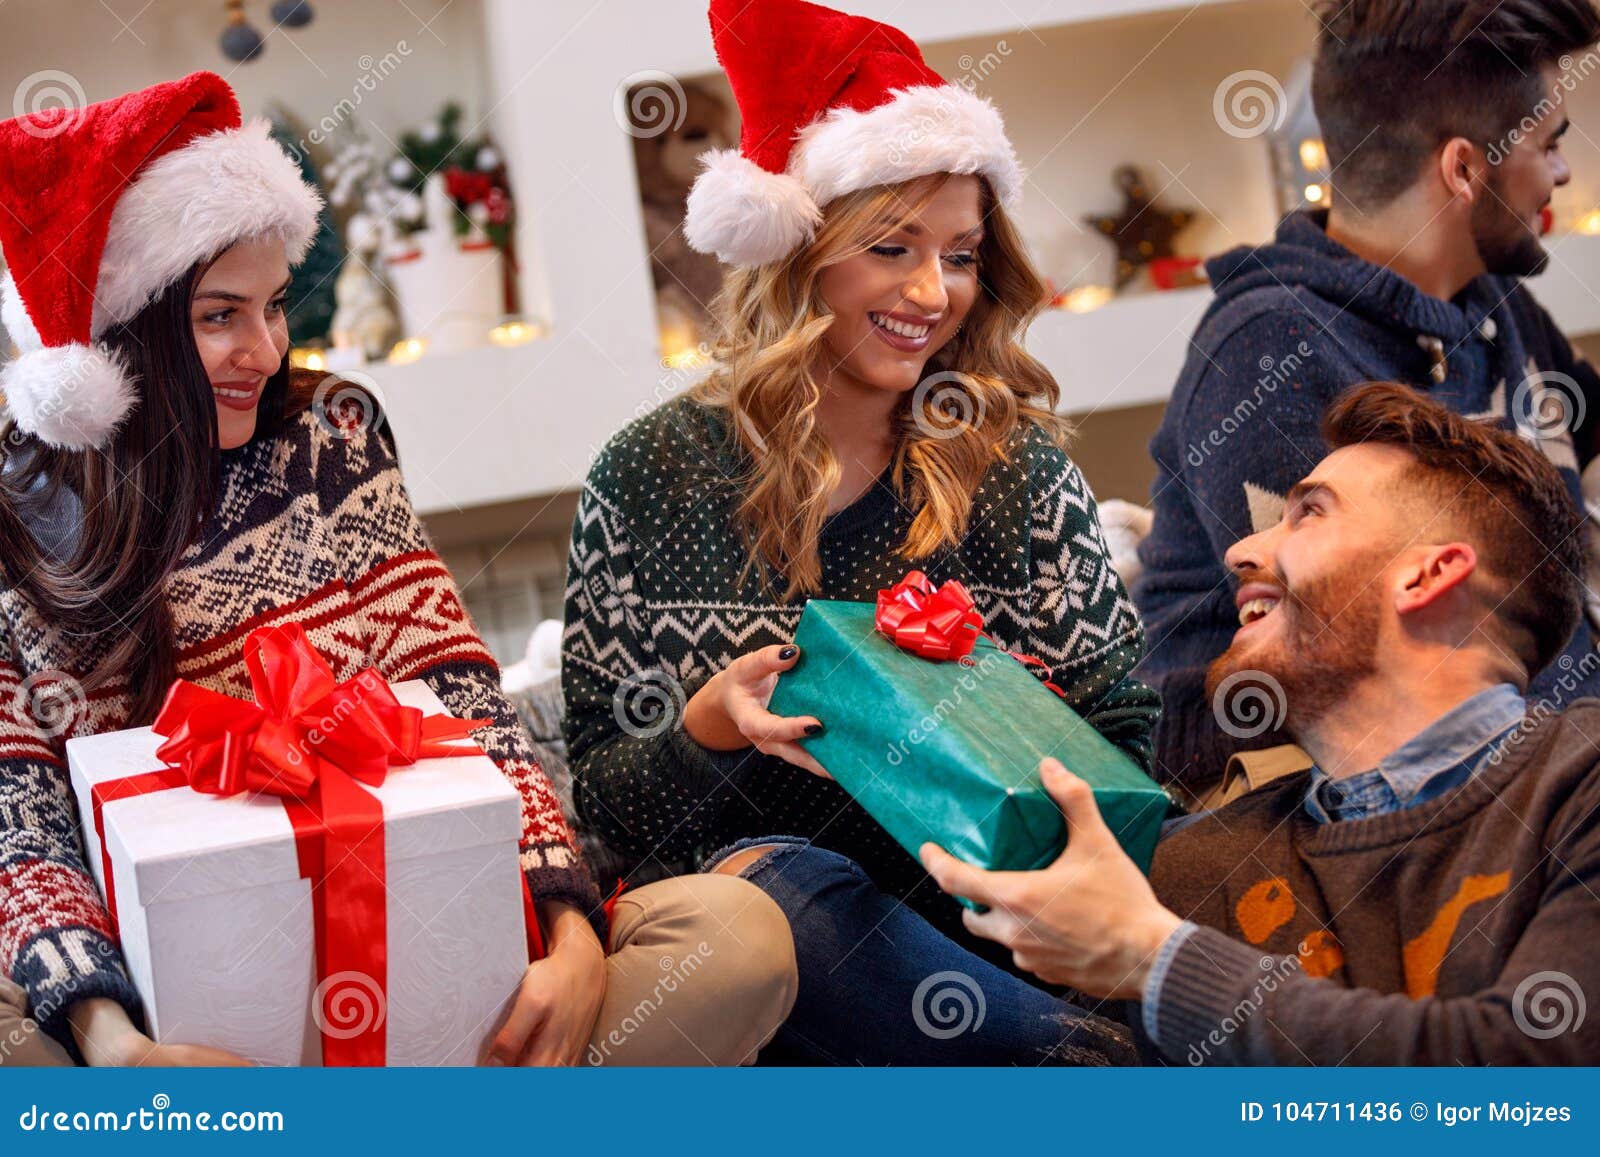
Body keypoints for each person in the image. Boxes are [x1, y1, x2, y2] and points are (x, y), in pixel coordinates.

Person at [0, 72, 794, 1068]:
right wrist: (113, 1044)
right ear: (127, 332)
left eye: (275, 305)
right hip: (181, 1014)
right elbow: (26, 841)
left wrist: (570, 931)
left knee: (736, 933)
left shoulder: (332, 431)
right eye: (219, 316)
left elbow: (464, 698)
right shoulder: (14, 527)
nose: (267, 347)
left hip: (439, 941)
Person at [564, 0, 1156, 1064]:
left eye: (963, 254)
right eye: (891, 247)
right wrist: (707, 726)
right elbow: (600, 812)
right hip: (769, 951)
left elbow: (1132, 747)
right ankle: (1089, 1069)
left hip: (996, 935)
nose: (933, 293)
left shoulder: (1017, 472)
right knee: (786, 882)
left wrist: (1006, 717)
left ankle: (1078, 1060)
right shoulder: (649, 477)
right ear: (798, 252)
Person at [924, 382, 1600, 1065]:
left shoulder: (1580, 787)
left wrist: (1158, 961)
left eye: (1308, 514)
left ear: (1427, 573)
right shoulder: (1178, 875)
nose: (1240, 550)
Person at [1135, 0, 1600, 800]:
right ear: (1464, 169)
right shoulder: (1271, 354)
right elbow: (1388, 679)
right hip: (1304, 811)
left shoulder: (1490, 305)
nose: (1560, 173)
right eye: (1549, 144)